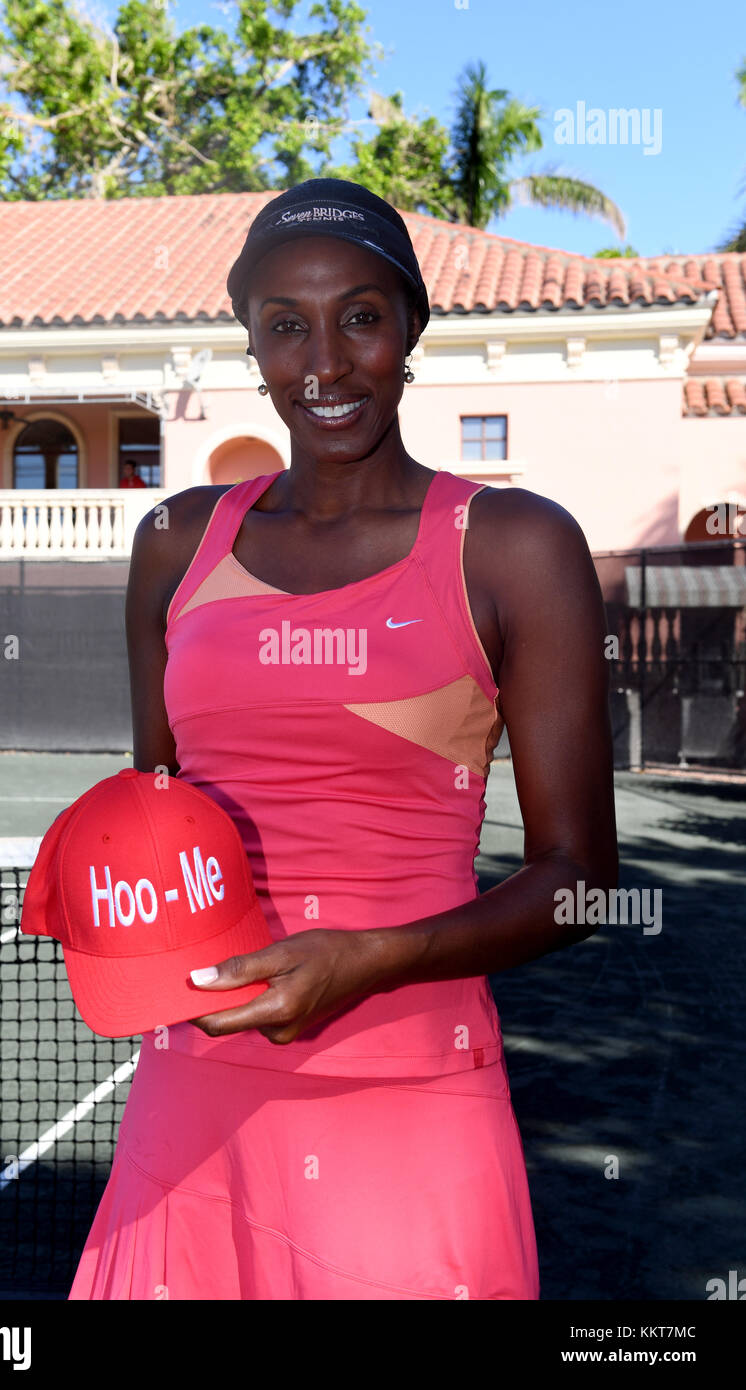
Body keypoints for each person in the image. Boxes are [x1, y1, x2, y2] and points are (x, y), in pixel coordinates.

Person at [69, 177, 618, 1301]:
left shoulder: (512, 544)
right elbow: (159, 804)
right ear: (252, 345)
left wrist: (367, 959)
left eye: (359, 316)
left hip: (409, 1096)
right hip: (193, 1086)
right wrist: (96, 888)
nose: (322, 360)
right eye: (284, 325)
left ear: (410, 327)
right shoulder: (174, 541)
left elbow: (580, 883)